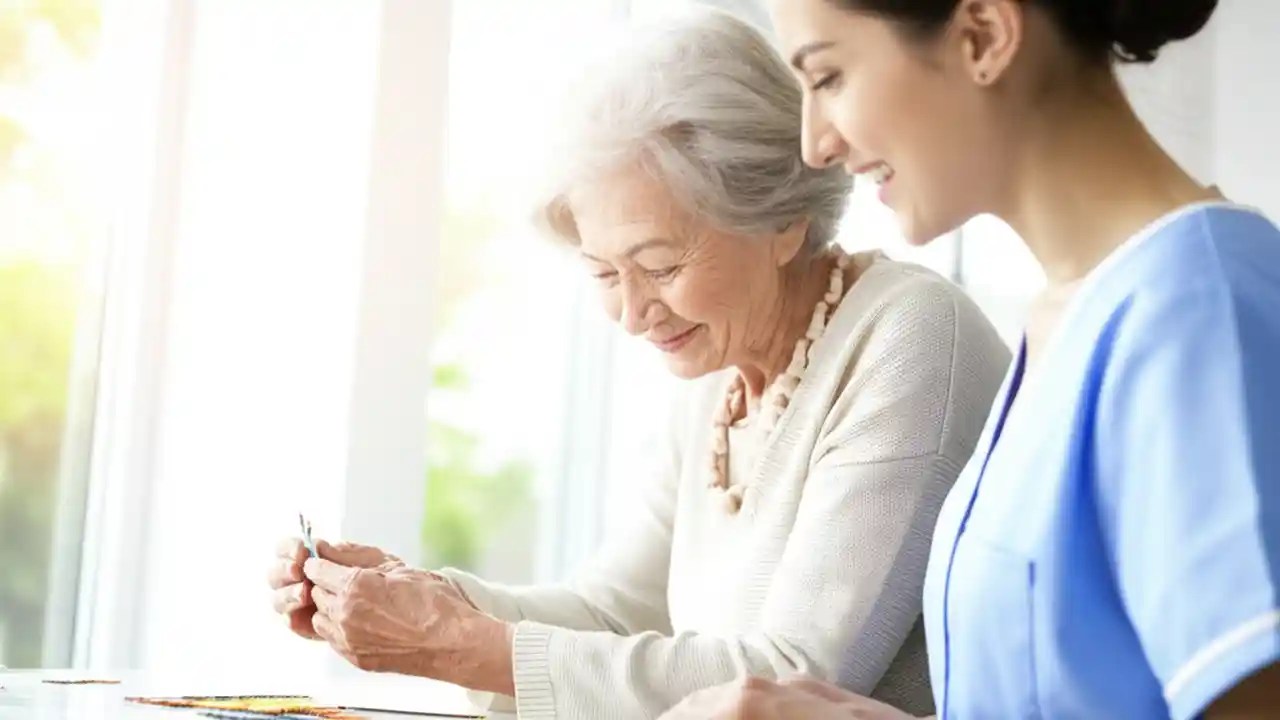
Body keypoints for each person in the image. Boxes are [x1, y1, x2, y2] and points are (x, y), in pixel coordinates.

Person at [267, 9, 1009, 719]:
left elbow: (793, 682)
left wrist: (459, 644)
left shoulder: (909, 337)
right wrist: (422, 602)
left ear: (784, 220)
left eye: (658, 265)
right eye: (602, 273)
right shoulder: (720, 380)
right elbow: (610, 613)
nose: (630, 313)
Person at [662, 0, 1280, 718]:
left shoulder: (1195, 312)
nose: (814, 144)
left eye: (828, 76)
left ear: (983, 35)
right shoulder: (1069, 316)